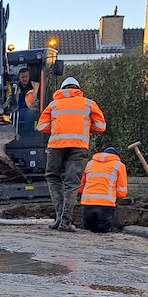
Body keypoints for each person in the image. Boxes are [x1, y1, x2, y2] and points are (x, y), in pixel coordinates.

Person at [36, 76, 106, 232]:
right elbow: (101, 126)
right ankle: (65, 221)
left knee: (53, 178)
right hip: (79, 146)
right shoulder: (88, 103)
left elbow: (41, 126)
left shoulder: (53, 105)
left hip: (56, 146)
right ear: (78, 89)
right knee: (72, 183)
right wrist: (85, 128)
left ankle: (59, 218)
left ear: (62, 89)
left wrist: (57, 129)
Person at [77, 146, 129, 233]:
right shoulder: (119, 165)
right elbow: (122, 192)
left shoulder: (90, 164)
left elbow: (80, 186)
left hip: (88, 204)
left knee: (87, 234)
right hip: (106, 206)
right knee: (103, 235)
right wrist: (112, 196)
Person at [13, 67, 42, 135]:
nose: (25, 79)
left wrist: (36, 105)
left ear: (29, 76)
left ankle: (28, 134)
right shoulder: (15, 87)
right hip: (17, 111)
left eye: (26, 76)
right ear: (19, 78)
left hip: (32, 109)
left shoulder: (35, 86)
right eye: (22, 77)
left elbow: (40, 100)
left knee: (30, 114)